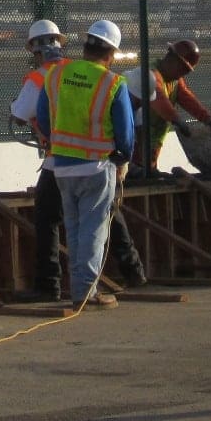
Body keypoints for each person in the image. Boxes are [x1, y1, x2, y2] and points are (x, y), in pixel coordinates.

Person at [34, 19, 136, 308]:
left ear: (86, 46)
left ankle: (79, 287)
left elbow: (43, 117)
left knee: (75, 227)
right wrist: (123, 158)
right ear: (111, 53)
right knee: (93, 229)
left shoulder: (56, 74)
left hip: (62, 166)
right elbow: (126, 131)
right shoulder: (113, 82)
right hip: (97, 166)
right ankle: (85, 292)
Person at [10, 19, 66, 301]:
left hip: (59, 162)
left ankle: (49, 285)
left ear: (35, 50)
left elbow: (21, 112)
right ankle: (130, 271)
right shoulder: (80, 71)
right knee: (100, 219)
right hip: (96, 158)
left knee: (47, 221)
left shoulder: (39, 79)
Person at [126, 38, 211, 180]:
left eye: (186, 71)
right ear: (171, 58)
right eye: (182, 69)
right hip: (135, 145)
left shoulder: (174, 80)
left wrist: (207, 118)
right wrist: (178, 120)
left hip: (151, 147)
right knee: (137, 177)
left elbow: (187, 98)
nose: (182, 74)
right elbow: (158, 98)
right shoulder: (151, 75)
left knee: (150, 177)